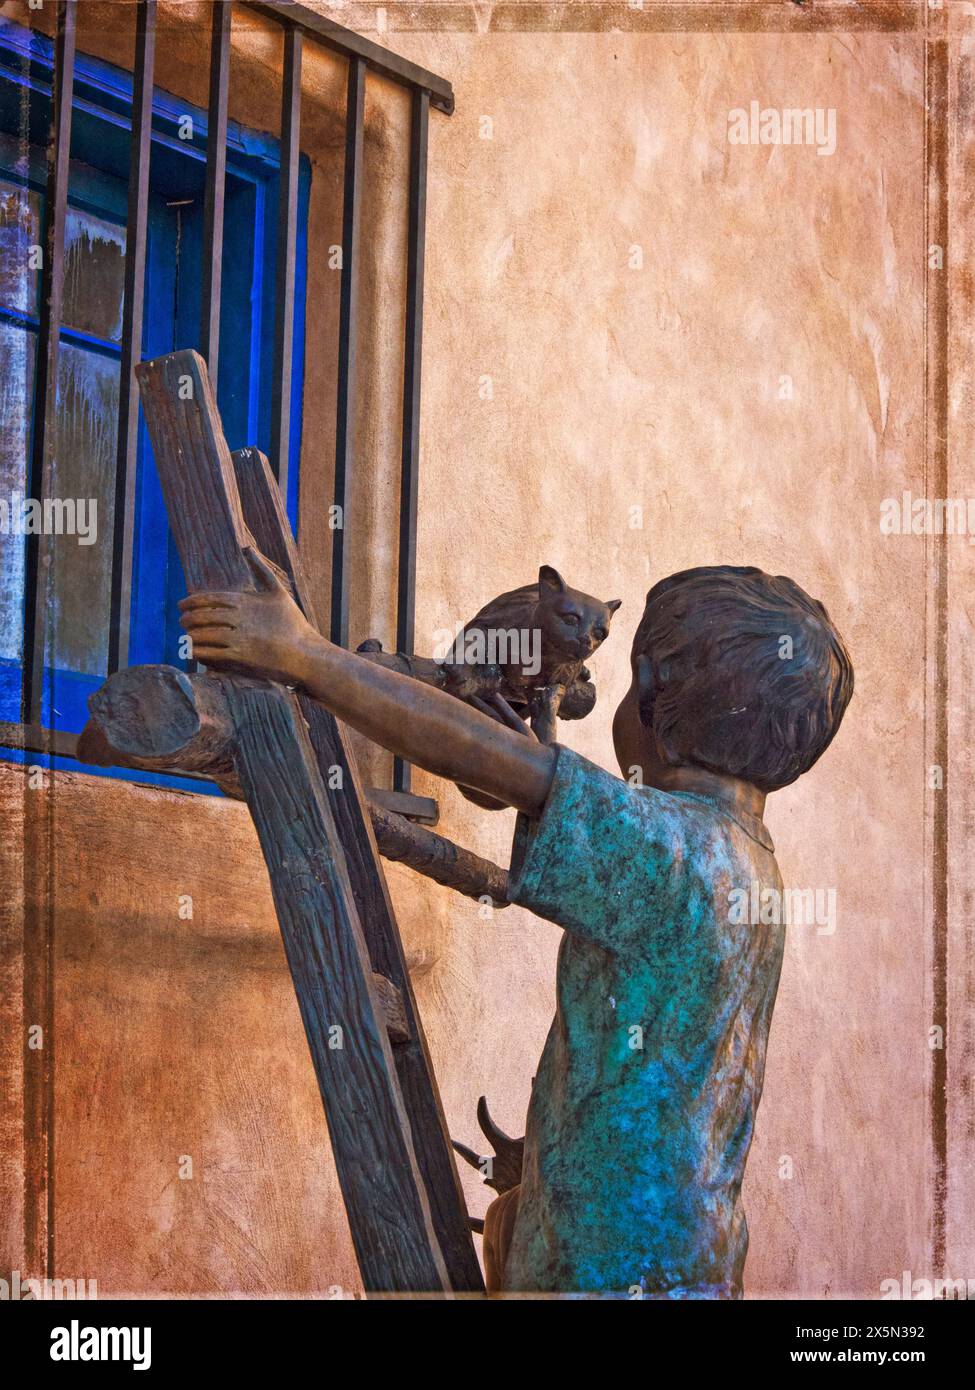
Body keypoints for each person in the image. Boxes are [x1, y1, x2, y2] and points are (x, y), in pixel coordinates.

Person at [179, 559, 854, 1297]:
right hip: (687, 1245)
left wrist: (304, 656)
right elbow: (676, 1067)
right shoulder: (749, 865)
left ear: (654, 692)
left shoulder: (665, 844)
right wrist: (554, 1151)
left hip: (604, 1258)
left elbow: (479, 753)